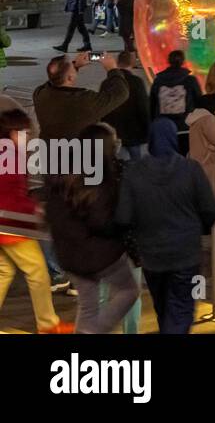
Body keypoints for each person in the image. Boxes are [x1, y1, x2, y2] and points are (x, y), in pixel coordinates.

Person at [115, 119, 215, 334]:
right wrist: (196, 229)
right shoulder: (190, 169)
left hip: (152, 255)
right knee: (181, 309)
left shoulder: (134, 172)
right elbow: (210, 209)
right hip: (186, 254)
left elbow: (123, 217)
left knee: (162, 308)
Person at [45, 123, 141, 333]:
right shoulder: (104, 178)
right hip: (99, 255)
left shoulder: (61, 172)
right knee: (128, 291)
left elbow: (50, 211)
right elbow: (102, 221)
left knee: (88, 305)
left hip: (67, 254)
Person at [0, 108, 73, 333]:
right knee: (37, 272)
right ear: (13, 132)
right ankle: (48, 324)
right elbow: (9, 197)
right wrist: (35, 211)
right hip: (10, 225)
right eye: (25, 132)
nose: (28, 137)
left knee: (4, 271)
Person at [34, 52, 129, 141]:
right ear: (70, 77)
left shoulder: (39, 94)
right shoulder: (84, 101)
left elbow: (54, 79)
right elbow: (121, 93)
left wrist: (74, 66)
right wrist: (112, 69)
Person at [103, 51, 151, 161]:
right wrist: (147, 130)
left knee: (117, 163)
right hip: (133, 133)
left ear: (118, 62)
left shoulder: (107, 82)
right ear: (132, 63)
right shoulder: (137, 82)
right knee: (136, 163)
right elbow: (143, 108)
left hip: (115, 133)